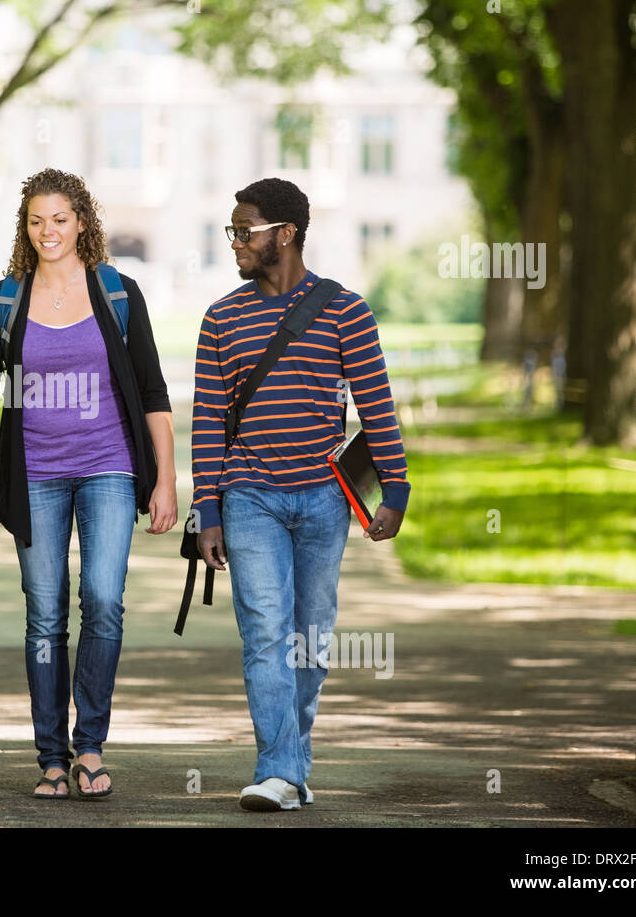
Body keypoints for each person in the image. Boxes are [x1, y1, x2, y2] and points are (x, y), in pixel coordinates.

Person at [192, 177, 409, 811]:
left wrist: (395, 490)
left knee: (309, 643)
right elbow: (209, 419)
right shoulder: (221, 318)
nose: (235, 241)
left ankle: (293, 763)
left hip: (322, 500)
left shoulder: (346, 310)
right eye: (232, 231)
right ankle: (277, 769)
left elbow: (376, 408)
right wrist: (209, 509)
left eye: (245, 231)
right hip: (250, 496)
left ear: (284, 234)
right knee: (265, 633)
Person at [0, 168, 176, 799]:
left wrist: (166, 479)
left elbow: (155, 392)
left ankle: (91, 745)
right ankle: (52, 757)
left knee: (104, 600)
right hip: (35, 475)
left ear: (82, 221)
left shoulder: (118, 292)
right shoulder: (6, 299)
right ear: (23, 227)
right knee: (45, 613)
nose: (48, 231)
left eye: (60, 218)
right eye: (36, 220)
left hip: (109, 465)